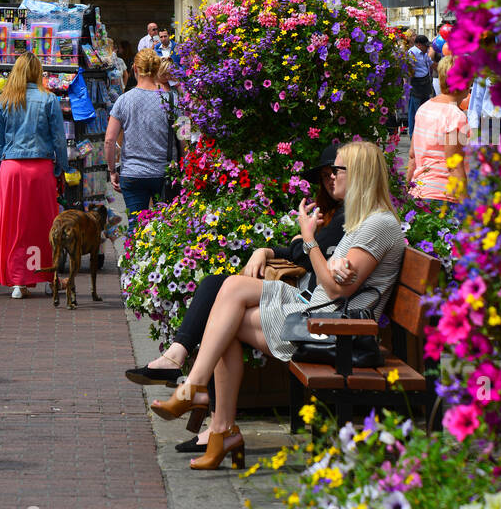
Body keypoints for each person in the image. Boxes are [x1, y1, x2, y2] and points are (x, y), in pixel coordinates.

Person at [150, 140, 406, 470]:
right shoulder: (365, 221)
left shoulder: (378, 225)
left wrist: (310, 239)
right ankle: (208, 411)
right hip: (317, 313)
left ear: (359, 174)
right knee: (230, 289)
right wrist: (321, 255)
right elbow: (335, 279)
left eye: (336, 170)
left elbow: (334, 288)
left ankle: (212, 418)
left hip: (332, 330)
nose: (330, 177)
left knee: (226, 320)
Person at [125, 145, 346, 452]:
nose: (330, 180)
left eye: (336, 172)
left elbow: (306, 256)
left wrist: (303, 239)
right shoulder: (335, 213)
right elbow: (305, 252)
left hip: (315, 309)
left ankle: (205, 403)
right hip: (308, 299)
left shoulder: (349, 217)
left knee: (224, 302)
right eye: (325, 175)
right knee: (218, 289)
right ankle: (206, 405)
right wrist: (268, 249)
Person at [0, 53, 67, 300]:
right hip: (40, 169)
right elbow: (59, 141)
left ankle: (18, 282)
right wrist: (60, 169)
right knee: (44, 225)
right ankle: (46, 277)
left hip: (11, 170)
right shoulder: (49, 99)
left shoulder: (4, 102)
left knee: (14, 226)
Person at [104, 48, 170, 230]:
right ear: (157, 70)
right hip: (163, 173)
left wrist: (112, 170)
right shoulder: (172, 100)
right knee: (165, 228)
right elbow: (184, 137)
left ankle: (134, 257)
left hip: (133, 173)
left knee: (136, 228)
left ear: (134, 69)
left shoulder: (124, 100)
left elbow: (109, 140)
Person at [406, 55, 469, 201]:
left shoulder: (424, 108)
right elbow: (454, 166)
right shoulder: (455, 117)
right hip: (443, 196)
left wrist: (406, 188)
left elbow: (412, 156)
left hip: (419, 192)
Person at [407, 34, 434, 139]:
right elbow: (409, 71)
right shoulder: (411, 53)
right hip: (416, 84)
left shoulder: (424, 53)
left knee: (425, 110)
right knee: (415, 111)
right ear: (418, 45)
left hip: (425, 83)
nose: (427, 48)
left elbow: (431, 64)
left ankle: (423, 134)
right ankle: (413, 135)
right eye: (425, 46)